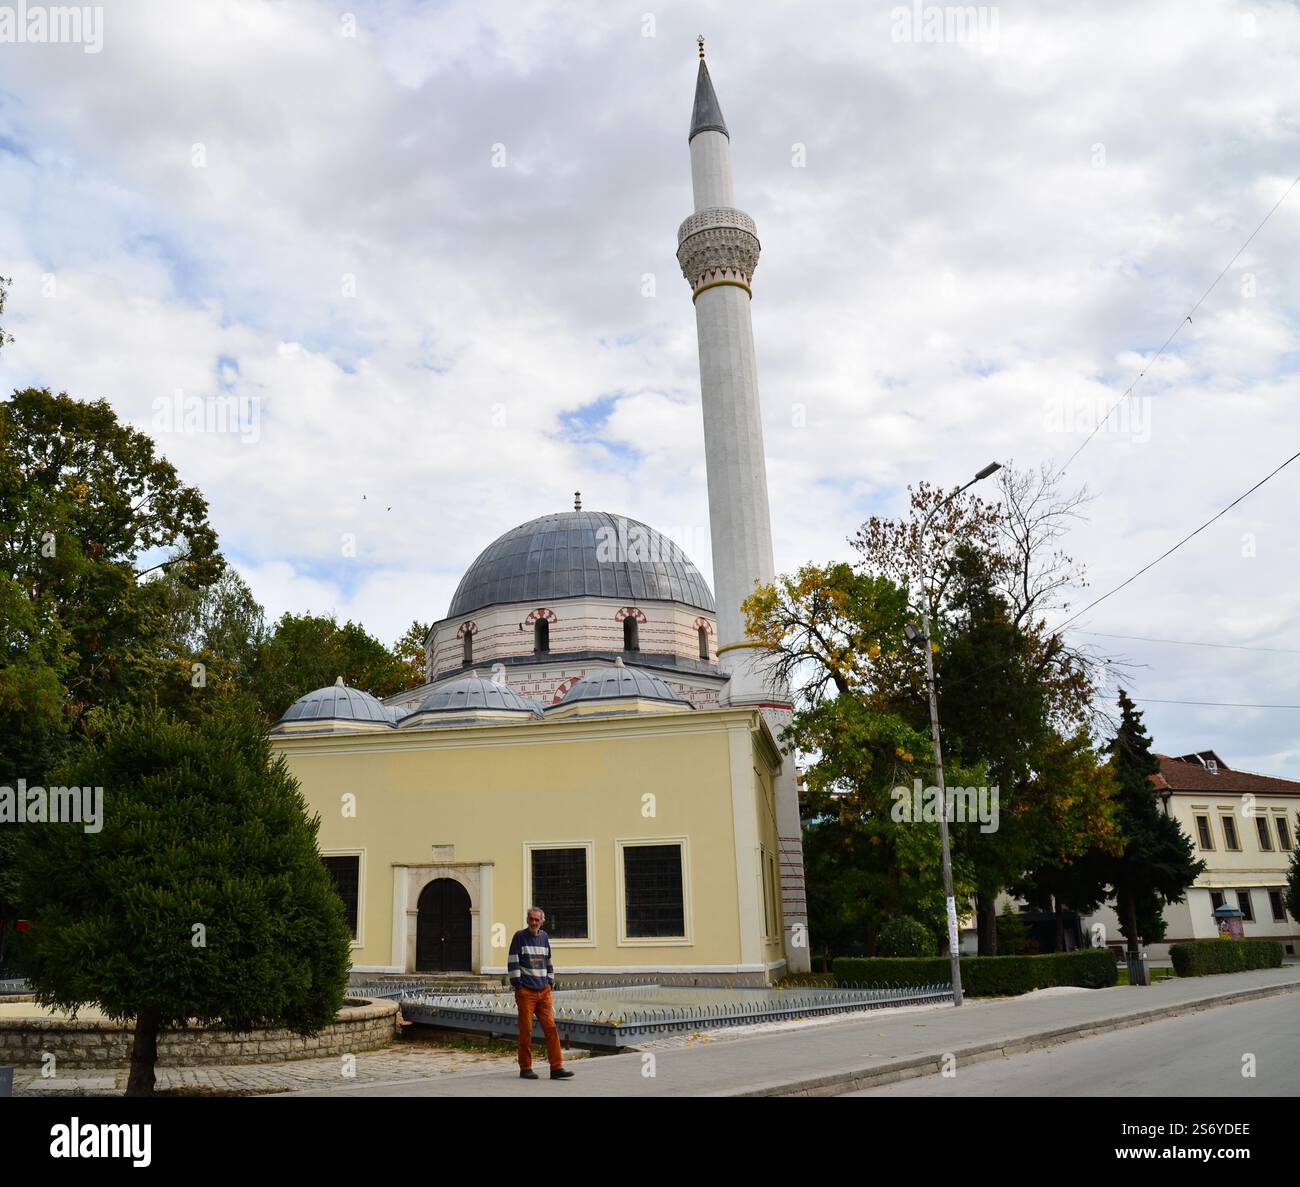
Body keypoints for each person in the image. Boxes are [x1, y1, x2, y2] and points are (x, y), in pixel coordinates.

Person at [508, 906, 574, 1080]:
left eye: (537, 920)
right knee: (526, 1031)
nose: (534, 922)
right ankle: (525, 1068)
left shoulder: (544, 938)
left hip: (543, 991)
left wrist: (550, 982)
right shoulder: (519, 937)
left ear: (542, 921)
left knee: (551, 1028)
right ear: (527, 920)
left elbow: (549, 961)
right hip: (526, 992)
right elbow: (513, 963)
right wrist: (518, 987)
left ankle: (557, 1067)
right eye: (531, 919)